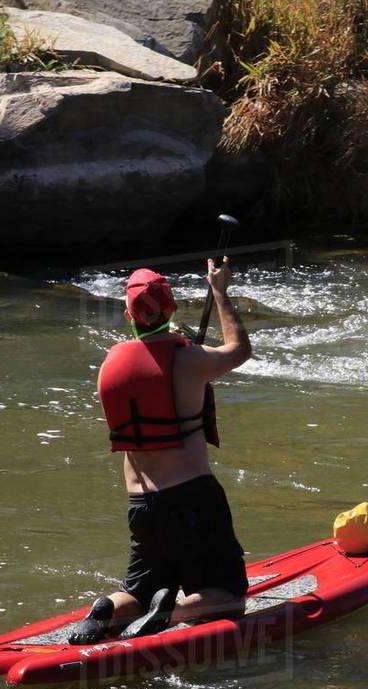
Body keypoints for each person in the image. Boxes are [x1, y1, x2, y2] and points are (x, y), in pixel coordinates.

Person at [69, 257, 253, 645]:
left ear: (127, 314)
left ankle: (108, 607)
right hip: (192, 497)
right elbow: (239, 349)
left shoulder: (110, 364)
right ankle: (175, 609)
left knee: (138, 589)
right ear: (170, 309)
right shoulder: (189, 359)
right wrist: (219, 290)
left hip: (142, 505)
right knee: (230, 599)